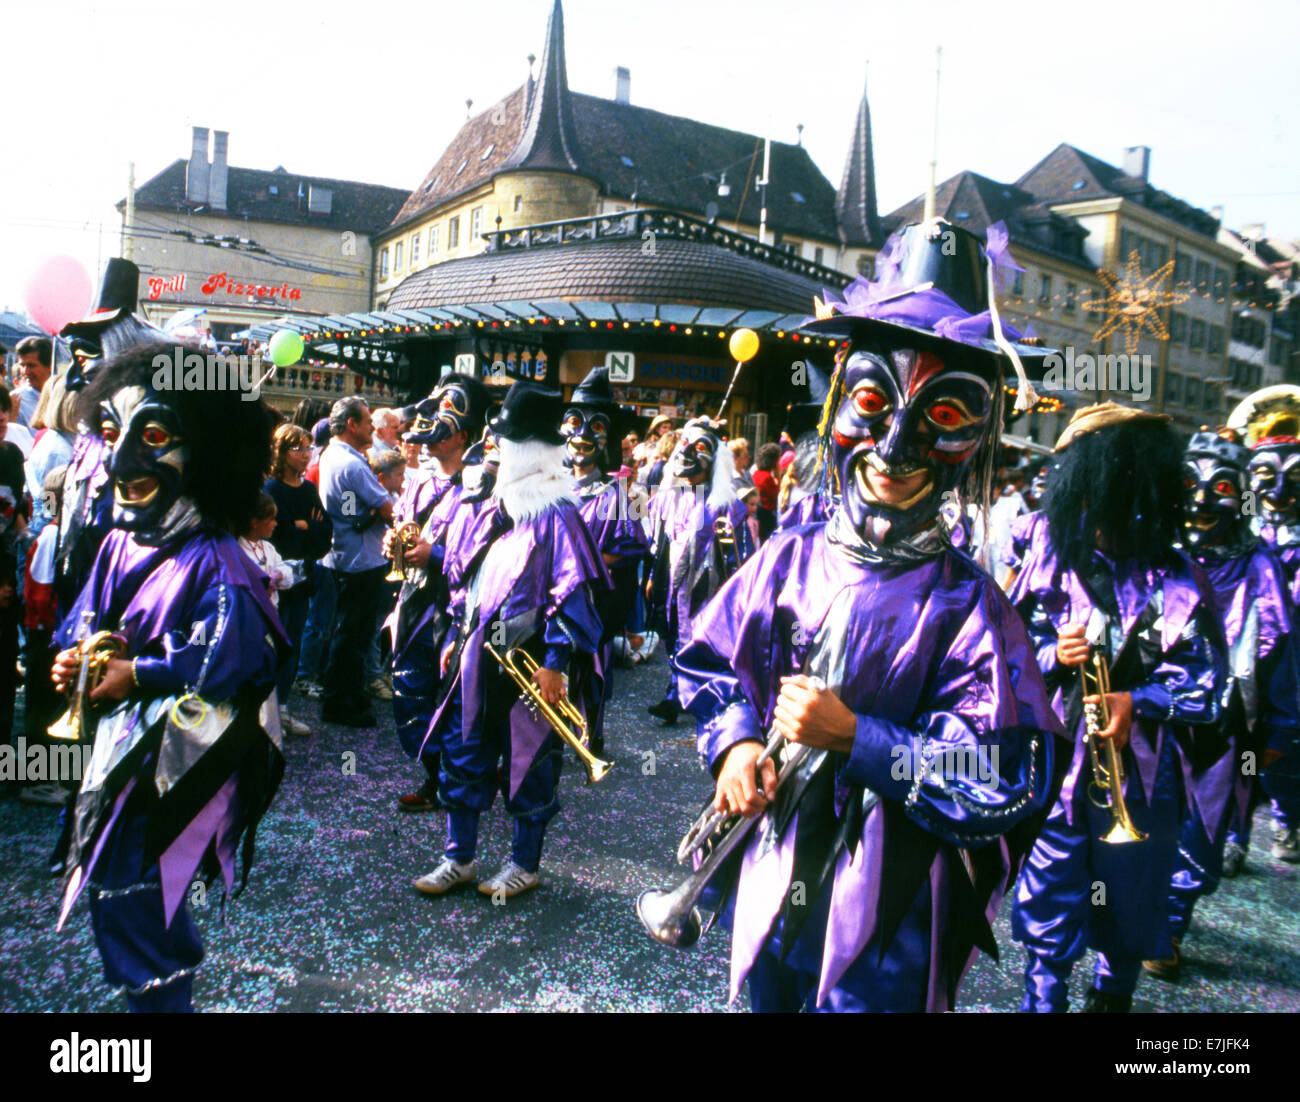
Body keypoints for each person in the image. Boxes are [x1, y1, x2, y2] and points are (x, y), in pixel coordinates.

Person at [669, 219, 1062, 1013]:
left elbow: (1006, 773)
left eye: (944, 417)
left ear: (979, 435)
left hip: (891, 912)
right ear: (840, 398)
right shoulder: (790, 557)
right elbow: (712, 658)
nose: (895, 446)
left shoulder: (974, 611)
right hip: (774, 868)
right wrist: (736, 741)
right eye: (874, 403)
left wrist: (859, 738)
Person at [50, 335, 285, 1013]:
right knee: (117, 898)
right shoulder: (121, 540)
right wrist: (78, 659)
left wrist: (142, 674)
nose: (125, 458)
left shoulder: (220, 560)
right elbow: (87, 620)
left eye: (153, 434)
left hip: (169, 772)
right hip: (115, 755)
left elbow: (241, 658)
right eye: (111, 430)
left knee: (136, 903)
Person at [1007, 402, 1228, 1013]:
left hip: (1145, 774)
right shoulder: (1048, 561)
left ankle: (1114, 998)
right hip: (1061, 765)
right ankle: (1043, 1000)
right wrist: (1052, 653)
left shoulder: (1181, 578)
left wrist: (1143, 699)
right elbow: (999, 649)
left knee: (1131, 889)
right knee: (1051, 887)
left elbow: (1211, 682)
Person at [412, 382, 606, 899]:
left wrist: (556, 662)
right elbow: (466, 578)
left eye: (504, 445)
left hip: (531, 658)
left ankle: (524, 862)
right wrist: (459, 632)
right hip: (477, 652)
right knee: (464, 748)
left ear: (527, 454)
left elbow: (572, 593)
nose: (492, 452)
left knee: (529, 760)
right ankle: (460, 857)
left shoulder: (558, 515)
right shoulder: (493, 507)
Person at [1141, 430, 1298, 982]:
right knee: (1142, 822)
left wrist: (1279, 731)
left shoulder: (1260, 565)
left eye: (1222, 487)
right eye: (1191, 485)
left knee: (1202, 830)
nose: (1204, 500)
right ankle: (1137, 910)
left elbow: (1278, 649)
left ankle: (1168, 929)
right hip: (1149, 715)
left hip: (1224, 724)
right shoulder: (1155, 552)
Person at [387, 375, 489, 812]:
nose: (427, 443)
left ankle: (452, 784)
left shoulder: (482, 489)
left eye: (441, 432)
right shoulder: (419, 482)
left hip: (455, 611)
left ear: (463, 435)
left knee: (453, 698)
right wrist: (392, 544)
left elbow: (490, 561)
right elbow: (401, 526)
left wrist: (436, 554)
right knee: (407, 691)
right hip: (411, 602)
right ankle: (435, 772)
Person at [560, 366, 651, 755]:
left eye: (593, 428)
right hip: (553, 597)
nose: (581, 437)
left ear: (607, 437)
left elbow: (632, 550)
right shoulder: (549, 488)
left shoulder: (626, 492)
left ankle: (590, 734)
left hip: (594, 599)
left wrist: (584, 564)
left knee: (590, 668)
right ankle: (552, 734)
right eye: (573, 424)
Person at [645, 417, 745, 725]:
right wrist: (652, 577)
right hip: (673, 583)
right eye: (685, 445)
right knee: (674, 637)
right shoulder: (668, 497)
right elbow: (659, 542)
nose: (688, 454)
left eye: (700, 448)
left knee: (700, 641)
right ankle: (677, 694)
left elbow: (737, 554)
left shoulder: (725, 505)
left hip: (706, 586)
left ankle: (693, 697)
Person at [1236, 390, 1300, 863]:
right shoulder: (1240, 537)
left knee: (1287, 740)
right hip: (1249, 653)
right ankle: (1232, 830)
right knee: (1234, 739)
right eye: (1264, 477)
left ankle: (1287, 820)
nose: (1278, 491)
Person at [318, 397, 393, 727]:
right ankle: (340, 702)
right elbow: (386, 505)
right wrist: (379, 508)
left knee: (349, 633)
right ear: (351, 425)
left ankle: (346, 694)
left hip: (348, 554)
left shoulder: (333, 455)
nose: (371, 429)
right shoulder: (350, 463)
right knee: (352, 635)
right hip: (360, 557)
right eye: (366, 422)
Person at [264, 424, 331, 736]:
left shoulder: (307, 489)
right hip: (276, 580)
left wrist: (308, 529)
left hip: (303, 578)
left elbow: (324, 534)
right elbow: (280, 535)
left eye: (308, 448)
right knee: (272, 645)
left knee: (291, 644)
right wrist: (302, 528)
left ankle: (283, 708)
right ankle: (266, 711)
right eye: (299, 449)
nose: (306, 455)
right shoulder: (272, 490)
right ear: (281, 451)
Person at [238, 493, 303, 737]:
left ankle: (270, 719)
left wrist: (278, 576)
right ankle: (250, 719)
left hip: (270, 617)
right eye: (271, 519)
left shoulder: (268, 548)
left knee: (269, 667)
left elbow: (286, 570)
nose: (276, 524)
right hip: (248, 621)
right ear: (255, 522)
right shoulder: (237, 547)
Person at [13, 335, 52, 428]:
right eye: (22, 365)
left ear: (49, 366)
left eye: (31, 365)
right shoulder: (16, 401)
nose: (25, 371)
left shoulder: (64, 395)